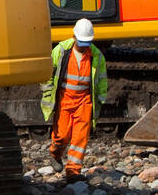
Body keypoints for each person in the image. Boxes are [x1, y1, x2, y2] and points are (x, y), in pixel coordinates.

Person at [41, 18, 108, 180]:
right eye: (82, 42)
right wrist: (48, 93)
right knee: (61, 135)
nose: (84, 46)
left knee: (79, 138)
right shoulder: (61, 50)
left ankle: (73, 172)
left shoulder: (96, 55)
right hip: (65, 99)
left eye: (87, 42)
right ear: (74, 36)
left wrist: (101, 98)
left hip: (84, 102)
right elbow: (49, 74)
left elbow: (101, 78)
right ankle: (55, 153)